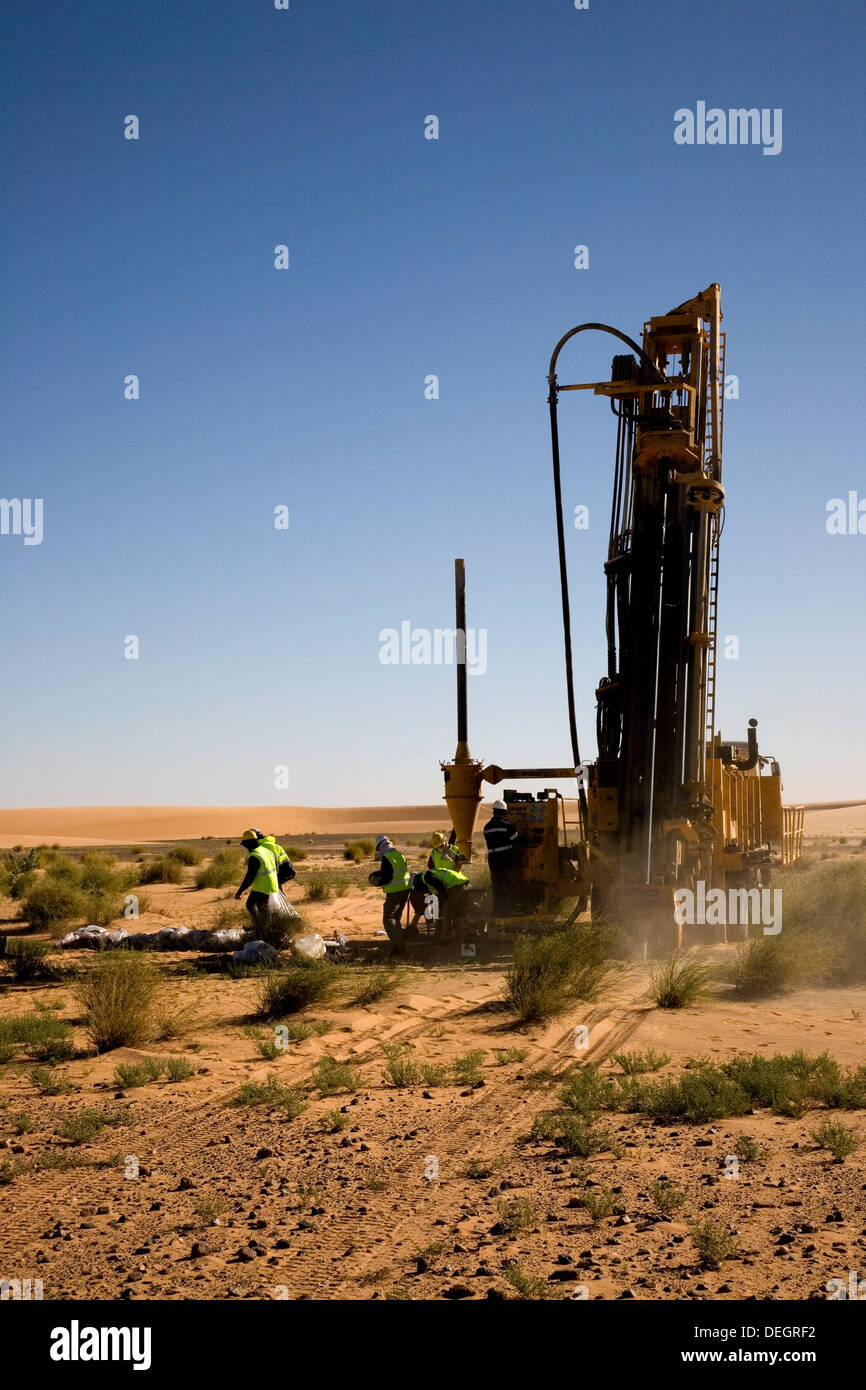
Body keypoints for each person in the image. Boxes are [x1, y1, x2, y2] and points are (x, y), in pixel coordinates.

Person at [368, 834, 411, 954]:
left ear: (381, 846)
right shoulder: (400, 854)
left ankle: (401, 945)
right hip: (405, 890)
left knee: (388, 920)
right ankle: (398, 947)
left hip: (395, 892)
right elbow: (397, 871)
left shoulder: (387, 857)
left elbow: (387, 877)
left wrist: (378, 882)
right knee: (396, 919)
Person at [235, 829, 280, 932]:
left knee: (263, 908)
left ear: (248, 843)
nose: (244, 847)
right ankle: (259, 926)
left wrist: (239, 892)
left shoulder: (254, 856)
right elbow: (276, 864)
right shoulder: (265, 850)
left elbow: (249, 877)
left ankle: (266, 930)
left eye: (245, 844)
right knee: (251, 904)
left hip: (263, 886)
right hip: (269, 883)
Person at [483, 799, 518, 914]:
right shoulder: (507, 826)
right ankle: (510, 909)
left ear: (494, 811)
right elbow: (517, 840)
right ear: (504, 812)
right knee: (509, 884)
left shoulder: (486, 827)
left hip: (493, 861)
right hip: (506, 859)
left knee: (497, 886)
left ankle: (497, 909)